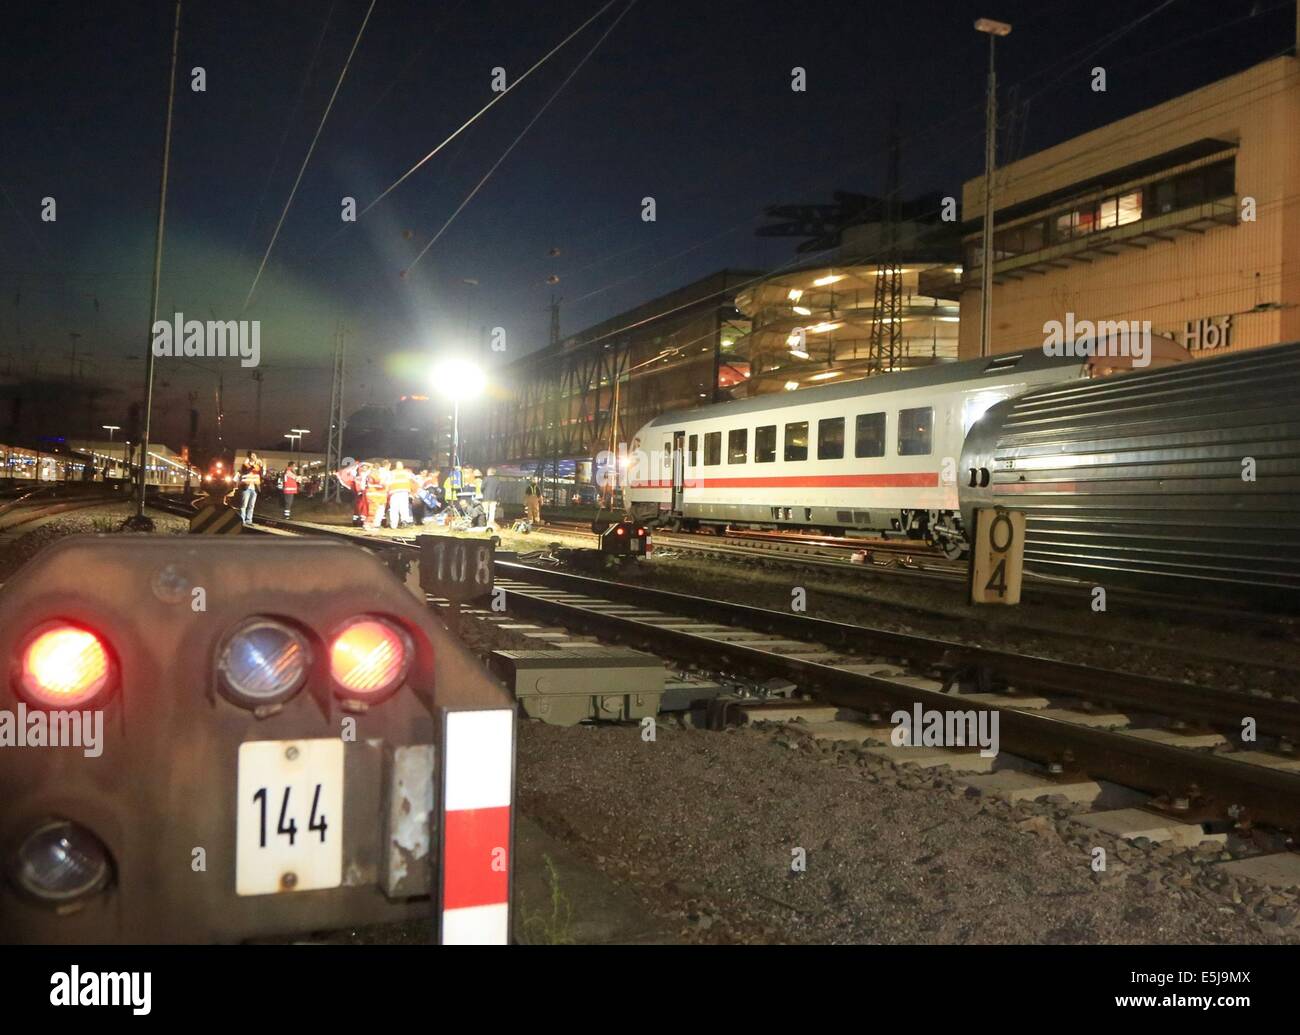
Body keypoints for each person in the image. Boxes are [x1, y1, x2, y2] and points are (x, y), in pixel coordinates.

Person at [387, 460, 415, 529]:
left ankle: (393, 525)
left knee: (394, 509)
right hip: (404, 492)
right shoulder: (407, 473)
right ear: (402, 466)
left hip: (394, 492)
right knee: (404, 508)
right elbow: (413, 481)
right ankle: (404, 522)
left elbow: (387, 483)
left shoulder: (392, 473)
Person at [238, 452, 263, 526]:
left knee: (251, 505)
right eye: (252, 455)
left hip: (254, 487)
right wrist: (252, 466)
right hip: (246, 487)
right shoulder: (245, 464)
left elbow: (261, 474)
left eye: (255, 455)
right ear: (249, 457)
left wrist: (261, 466)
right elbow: (245, 472)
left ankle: (249, 520)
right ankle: (242, 520)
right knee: (244, 505)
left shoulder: (258, 466)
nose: (254, 457)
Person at [364, 463, 389, 529]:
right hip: (375, 496)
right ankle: (369, 525)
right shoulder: (374, 474)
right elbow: (381, 484)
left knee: (377, 511)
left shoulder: (369, 474)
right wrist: (385, 481)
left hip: (377, 495)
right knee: (373, 511)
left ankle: (375, 525)